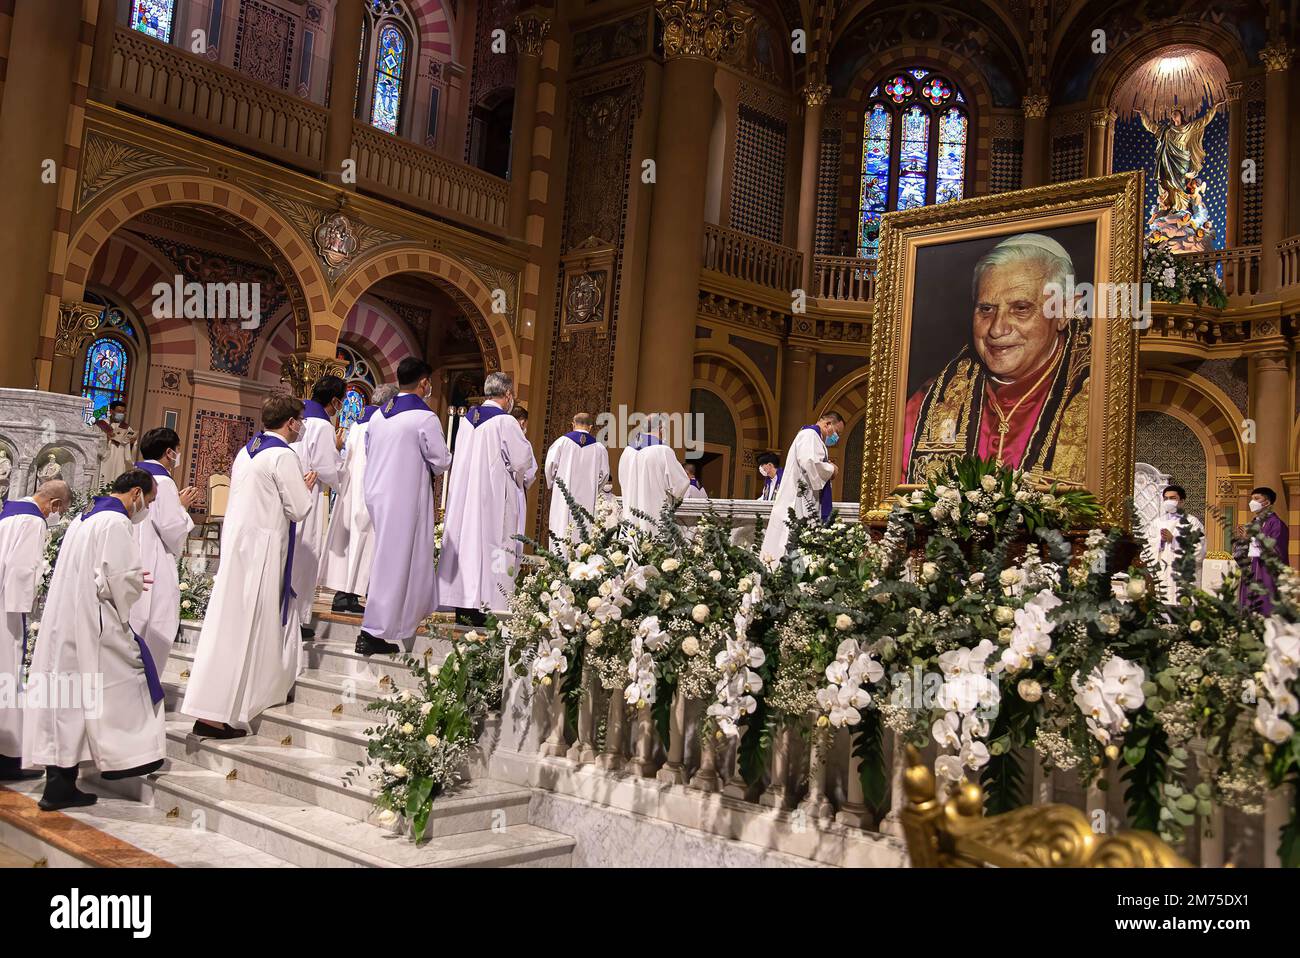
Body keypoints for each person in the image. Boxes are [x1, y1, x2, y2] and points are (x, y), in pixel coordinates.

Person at [23, 470, 163, 811]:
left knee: (66, 701)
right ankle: (128, 758)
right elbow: (116, 579)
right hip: (93, 622)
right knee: (125, 684)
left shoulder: (84, 518)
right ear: (135, 493)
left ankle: (59, 785)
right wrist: (132, 583)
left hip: (67, 619)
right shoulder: (115, 523)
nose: (146, 509)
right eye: (150, 501)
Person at [901, 233, 1089, 485]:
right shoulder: (928, 401)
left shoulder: (1100, 400)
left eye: (1021, 308)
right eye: (986, 309)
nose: (997, 329)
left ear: (1065, 311)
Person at [182, 397, 315, 738]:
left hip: (240, 545)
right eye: (299, 420)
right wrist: (307, 489)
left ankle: (212, 705)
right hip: (264, 550)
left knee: (229, 623)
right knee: (250, 626)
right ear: (291, 423)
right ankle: (225, 711)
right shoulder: (284, 455)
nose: (301, 425)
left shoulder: (247, 450)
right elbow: (299, 509)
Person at [357, 362, 451, 655]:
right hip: (404, 496)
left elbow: (369, 450)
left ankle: (401, 620)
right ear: (424, 383)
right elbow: (440, 460)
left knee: (391, 560)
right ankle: (372, 631)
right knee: (394, 562)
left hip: (378, 492)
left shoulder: (379, 416)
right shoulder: (424, 418)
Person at [437, 371, 537, 622]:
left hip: (464, 496)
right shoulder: (505, 422)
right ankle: (488, 605)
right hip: (493, 498)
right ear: (507, 394)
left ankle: (464, 604)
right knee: (494, 546)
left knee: (468, 545)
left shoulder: (468, 420)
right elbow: (522, 461)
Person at [0, 479, 69, 782]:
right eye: (61, 510)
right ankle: (7, 757)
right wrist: (23, 607)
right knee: (6, 676)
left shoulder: (8, 511)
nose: (57, 515)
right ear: (54, 505)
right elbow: (21, 568)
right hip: (5, 610)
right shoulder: (32, 520)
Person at [322, 384, 398, 615]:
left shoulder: (357, 423)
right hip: (368, 490)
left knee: (352, 543)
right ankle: (350, 595)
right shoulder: (379, 424)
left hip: (351, 488)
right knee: (362, 541)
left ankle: (345, 594)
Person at [129, 428, 199, 667]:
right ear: (169, 452)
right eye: (177, 451)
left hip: (133, 554)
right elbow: (172, 528)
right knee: (158, 619)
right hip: (155, 557)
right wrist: (182, 508)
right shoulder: (163, 481)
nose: (178, 455)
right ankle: (148, 682)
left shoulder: (134, 476)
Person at [291, 375, 346, 639]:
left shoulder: (296, 418)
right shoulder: (323, 426)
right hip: (310, 493)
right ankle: (298, 619)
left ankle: (285, 615)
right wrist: (344, 468)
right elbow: (327, 468)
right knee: (306, 554)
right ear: (334, 401)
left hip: (289, 489)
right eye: (341, 403)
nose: (340, 408)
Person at [760, 412, 843, 567]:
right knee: (790, 543)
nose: (837, 437)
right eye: (837, 432)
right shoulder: (810, 434)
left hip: (806, 499)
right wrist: (831, 469)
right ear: (827, 424)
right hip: (798, 501)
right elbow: (809, 461)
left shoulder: (814, 437)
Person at [543, 412, 610, 553]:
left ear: (573, 424)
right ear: (590, 427)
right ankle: (581, 565)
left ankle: (558, 563)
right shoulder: (599, 448)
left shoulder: (561, 442)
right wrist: (594, 489)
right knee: (584, 529)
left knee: (561, 527)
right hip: (587, 498)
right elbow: (604, 475)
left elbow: (550, 466)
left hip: (563, 497)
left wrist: (553, 483)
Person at [618, 414, 691, 533]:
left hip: (629, 521)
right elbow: (680, 486)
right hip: (655, 521)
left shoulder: (627, 452)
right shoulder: (663, 451)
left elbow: (622, 481)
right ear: (661, 429)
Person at [1144, 484, 1206, 604]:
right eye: (1165, 498)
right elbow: (1147, 546)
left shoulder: (1192, 522)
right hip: (1162, 570)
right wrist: (1159, 541)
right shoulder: (1157, 523)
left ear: (1182, 501)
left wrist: (1173, 540)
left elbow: (1199, 549)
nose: (1168, 501)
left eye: (1172, 498)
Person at [1238, 486, 1290, 615]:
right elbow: (1245, 550)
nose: (1252, 502)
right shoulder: (1254, 522)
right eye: (1251, 499)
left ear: (1267, 502)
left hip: (1266, 572)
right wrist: (1243, 541)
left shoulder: (1276, 523)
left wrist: (1253, 539)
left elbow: (1277, 550)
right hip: (1252, 569)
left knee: (1266, 606)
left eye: (1256, 498)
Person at [95, 400, 138, 485]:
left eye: (123, 412)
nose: (121, 414)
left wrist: (132, 443)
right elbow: (93, 442)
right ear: (111, 411)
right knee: (102, 481)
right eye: (119, 411)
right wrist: (106, 438)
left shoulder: (127, 428)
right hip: (104, 459)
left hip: (120, 460)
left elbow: (130, 452)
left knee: (117, 480)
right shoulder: (100, 425)